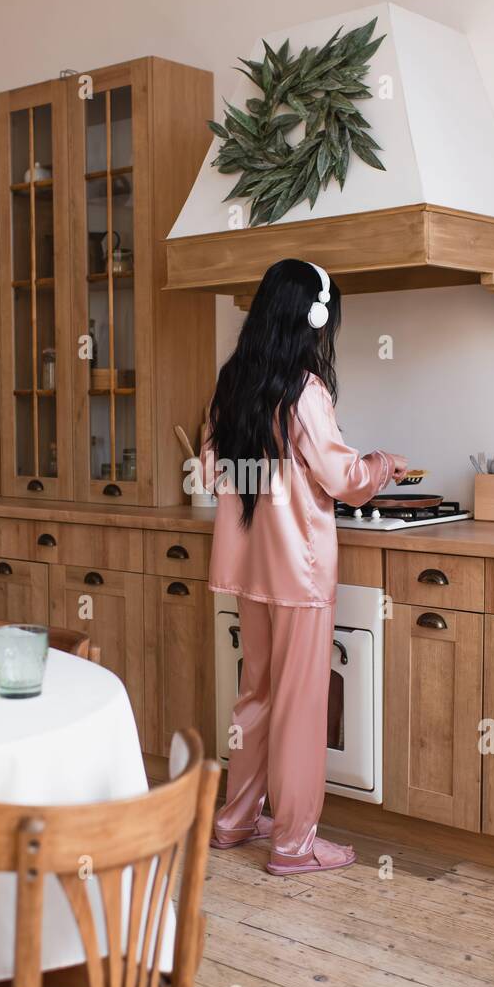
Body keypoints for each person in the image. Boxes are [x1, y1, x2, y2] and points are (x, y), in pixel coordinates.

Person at [201, 258, 407, 875]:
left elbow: (215, 472)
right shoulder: (306, 390)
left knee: (256, 695)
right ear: (313, 317)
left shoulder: (234, 380)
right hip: (300, 572)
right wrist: (382, 464)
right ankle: (294, 844)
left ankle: (236, 821)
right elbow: (343, 478)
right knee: (299, 705)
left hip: (249, 570)